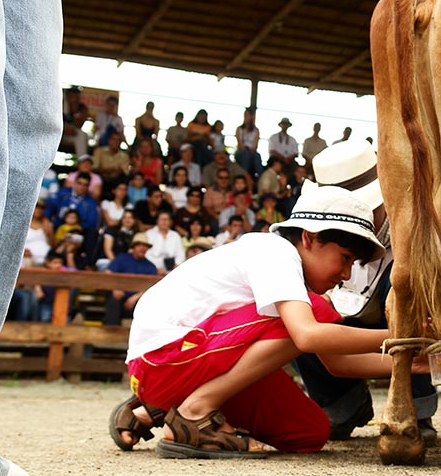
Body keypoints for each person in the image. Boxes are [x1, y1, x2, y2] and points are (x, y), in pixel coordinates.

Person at [107, 184, 420, 459]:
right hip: (162, 360)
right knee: (314, 313)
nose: (346, 274)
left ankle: (152, 411)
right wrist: (401, 335)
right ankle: (193, 412)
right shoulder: (275, 250)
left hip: (178, 366)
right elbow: (308, 337)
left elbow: (340, 365)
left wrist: (413, 359)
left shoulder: (290, 274)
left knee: (310, 432)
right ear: (310, 238)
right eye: (346, 258)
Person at [292, 141, 438, 442]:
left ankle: (417, 408)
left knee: (407, 291)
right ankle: (341, 404)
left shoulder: (415, 225)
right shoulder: (311, 246)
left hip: (397, 311)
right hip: (344, 319)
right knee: (299, 312)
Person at [103, 233, 158, 325]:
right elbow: (108, 273)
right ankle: (111, 334)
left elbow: (152, 288)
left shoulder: (151, 267)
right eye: (139, 245)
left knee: (148, 307)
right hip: (119, 295)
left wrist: (135, 298)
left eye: (145, 246)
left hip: (138, 299)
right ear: (133, 247)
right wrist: (115, 288)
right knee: (113, 301)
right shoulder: (121, 258)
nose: (142, 248)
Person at [46, 172, 100, 239]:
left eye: (85, 185)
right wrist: (46, 219)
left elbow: (92, 221)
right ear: (74, 182)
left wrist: (78, 227)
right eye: (79, 183)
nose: (81, 187)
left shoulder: (91, 202)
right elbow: (50, 206)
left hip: (78, 231)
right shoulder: (62, 193)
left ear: (88, 186)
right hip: (58, 225)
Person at [92, 130, 131, 195]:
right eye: (113, 139)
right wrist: (109, 170)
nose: (115, 142)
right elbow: (94, 168)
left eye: (118, 140)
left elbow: (125, 172)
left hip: (117, 181)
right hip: (102, 179)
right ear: (109, 140)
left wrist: (107, 170)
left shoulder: (125, 156)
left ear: (120, 142)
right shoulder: (99, 151)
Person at [22, 202, 54, 269]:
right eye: (36, 208)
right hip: (26, 258)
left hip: (44, 259)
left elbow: (52, 244)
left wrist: (50, 232)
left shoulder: (47, 224)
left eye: (41, 208)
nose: (39, 210)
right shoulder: (23, 224)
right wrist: (22, 251)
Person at [233, 107, 262, 178]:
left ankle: (260, 177)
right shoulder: (239, 129)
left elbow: (255, 145)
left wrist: (251, 150)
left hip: (252, 151)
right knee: (246, 155)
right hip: (241, 151)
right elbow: (240, 145)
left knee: (257, 156)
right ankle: (244, 176)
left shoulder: (256, 130)